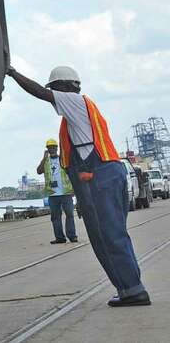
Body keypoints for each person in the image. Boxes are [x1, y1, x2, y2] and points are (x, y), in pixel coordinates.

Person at [8, 64, 150, 307]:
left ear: (65, 87)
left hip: (100, 176)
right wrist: (82, 198)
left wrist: (12, 73)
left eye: (55, 89)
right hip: (102, 177)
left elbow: (40, 93)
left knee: (109, 236)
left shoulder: (74, 101)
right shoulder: (75, 115)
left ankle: (133, 289)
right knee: (109, 235)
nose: (54, 96)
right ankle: (128, 287)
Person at [37, 138, 78, 244]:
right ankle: (60, 238)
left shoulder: (63, 160)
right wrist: (43, 158)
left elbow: (72, 173)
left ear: (57, 148)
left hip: (66, 192)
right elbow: (39, 171)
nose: (52, 149)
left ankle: (72, 236)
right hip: (53, 194)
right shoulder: (46, 162)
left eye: (53, 147)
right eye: (49, 148)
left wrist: (75, 189)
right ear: (47, 149)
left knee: (69, 215)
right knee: (55, 217)